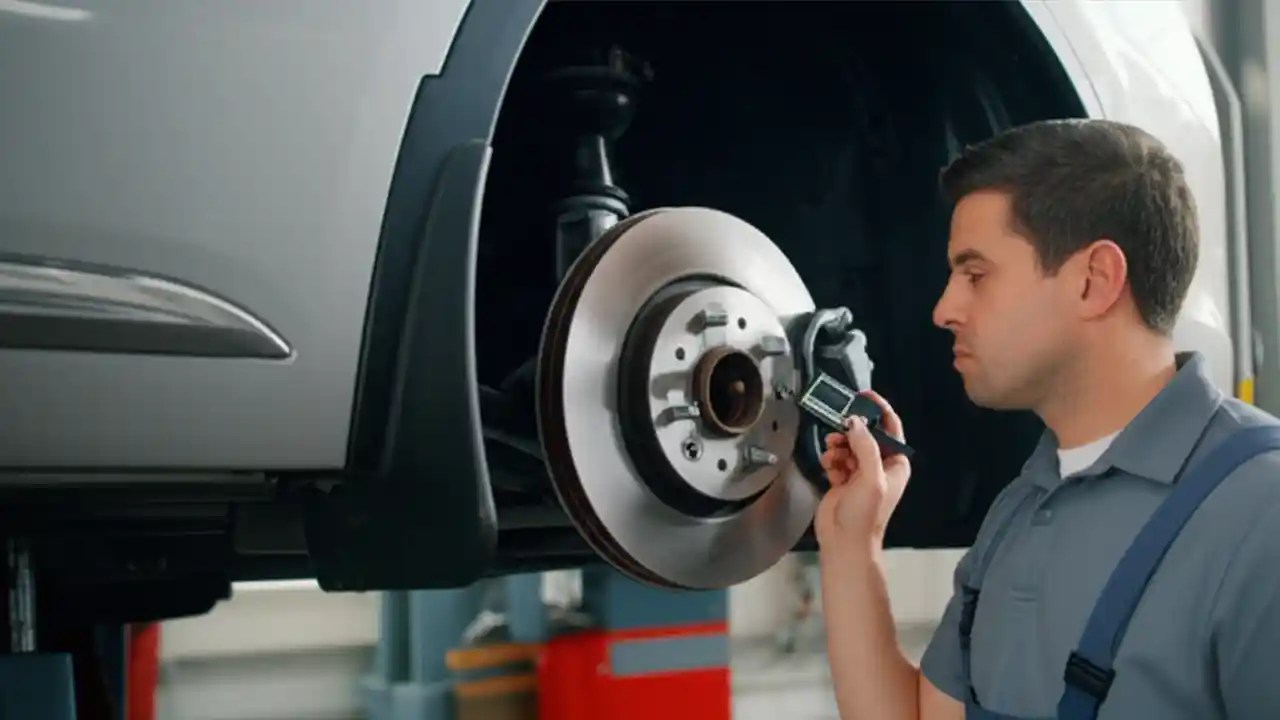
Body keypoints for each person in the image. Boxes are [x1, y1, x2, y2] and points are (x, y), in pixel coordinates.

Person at [816, 118, 1280, 720]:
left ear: (1095, 281)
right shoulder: (1022, 508)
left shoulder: (1261, 512)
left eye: (975, 274)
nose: (943, 309)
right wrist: (853, 545)